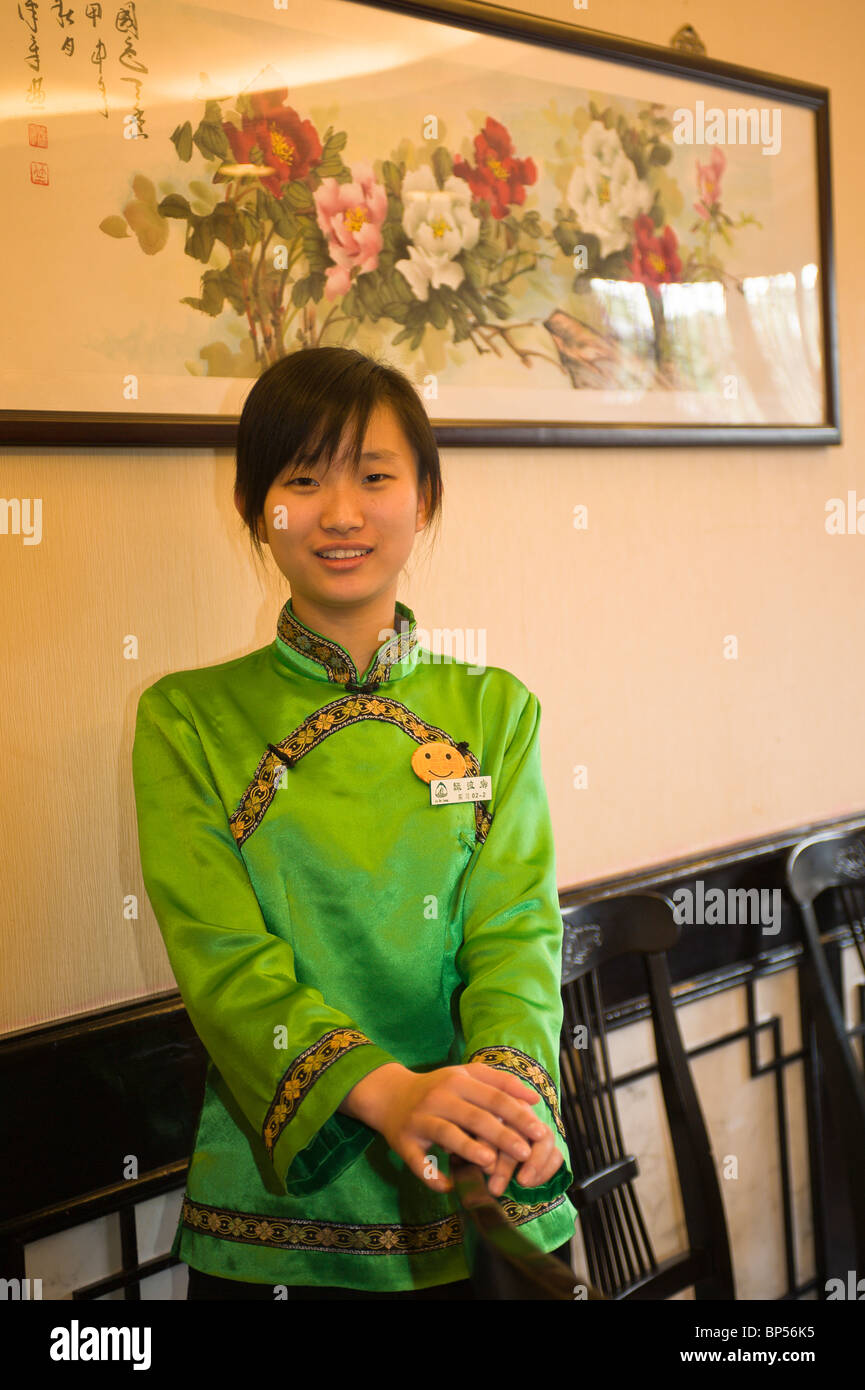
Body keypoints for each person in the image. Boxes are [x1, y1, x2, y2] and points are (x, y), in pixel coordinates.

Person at [131, 346, 578, 1299]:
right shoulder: (187, 718)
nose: (340, 513)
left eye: (374, 476)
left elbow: (516, 936)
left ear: (424, 496)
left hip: (483, 1180)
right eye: (302, 479)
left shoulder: (498, 707)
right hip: (288, 1213)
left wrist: (501, 1097)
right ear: (257, 507)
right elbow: (224, 963)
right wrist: (390, 1093)